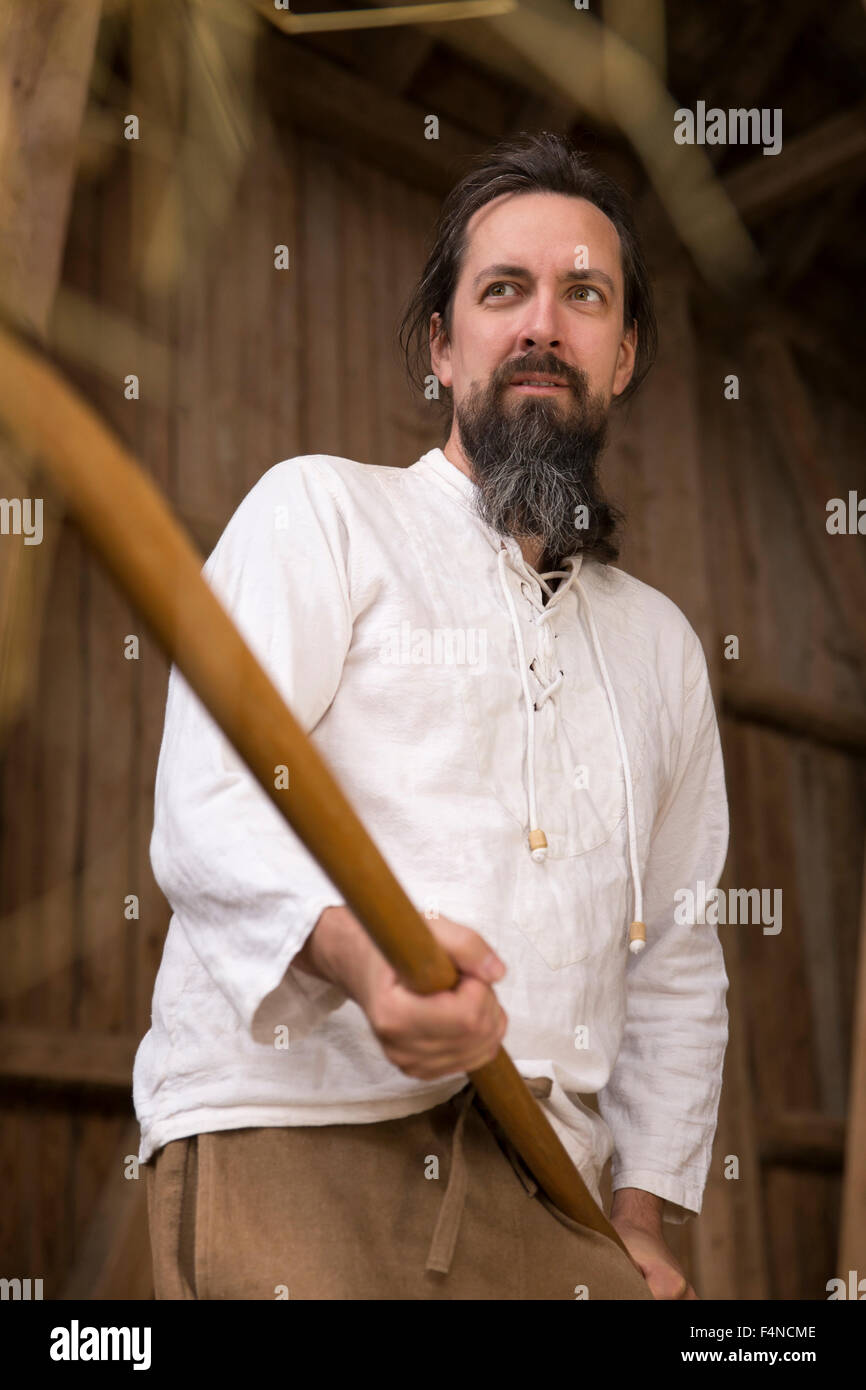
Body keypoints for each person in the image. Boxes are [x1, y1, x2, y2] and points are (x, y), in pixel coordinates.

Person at [136, 132, 729, 1301]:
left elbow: (673, 954)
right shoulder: (320, 512)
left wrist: (641, 1216)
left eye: (583, 295)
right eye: (501, 290)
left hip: (562, 1208)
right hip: (300, 1145)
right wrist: (364, 964)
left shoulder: (659, 645)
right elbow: (206, 801)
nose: (540, 325)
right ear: (441, 343)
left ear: (622, 356)